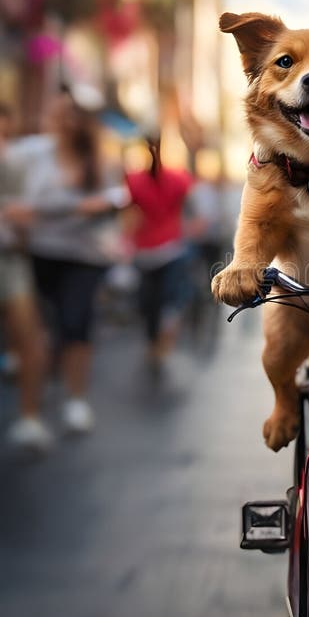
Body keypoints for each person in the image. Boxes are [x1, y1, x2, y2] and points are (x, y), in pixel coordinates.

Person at [12, 87, 128, 435]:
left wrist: (98, 204)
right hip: (38, 252)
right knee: (39, 333)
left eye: (72, 115)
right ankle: (35, 406)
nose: (65, 121)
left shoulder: (97, 156)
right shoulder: (30, 153)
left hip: (84, 255)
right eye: (59, 113)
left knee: (75, 323)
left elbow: (118, 195)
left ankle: (76, 399)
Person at [0, 104, 51, 453]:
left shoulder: (20, 159)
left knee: (29, 336)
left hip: (11, 259)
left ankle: (30, 416)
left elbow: (34, 211)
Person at [125, 133, 193, 374]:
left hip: (145, 251)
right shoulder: (179, 179)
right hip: (170, 248)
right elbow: (187, 208)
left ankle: (155, 344)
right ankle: (164, 344)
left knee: (149, 304)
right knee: (170, 301)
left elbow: (130, 215)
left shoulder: (134, 181)